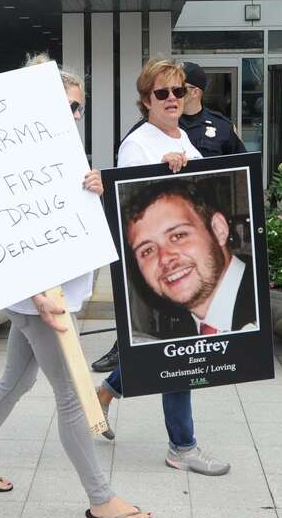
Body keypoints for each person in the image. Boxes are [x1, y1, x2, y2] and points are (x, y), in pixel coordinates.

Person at [0, 55, 153, 518]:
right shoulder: (17, 157)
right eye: (65, 106)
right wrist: (42, 291)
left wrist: (102, 189)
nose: (74, 115)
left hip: (54, 296)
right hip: (44, 300)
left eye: (78, 108)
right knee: (73, 395)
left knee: (15, 382)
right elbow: (11, 230)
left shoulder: (65, 156)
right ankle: (101, 498)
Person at [96, 59, 231, 477]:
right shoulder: (139, 144)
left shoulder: (185, 139)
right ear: (145, 101)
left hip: (187, 263)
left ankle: (109, 388)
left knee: (168, 352)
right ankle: (182, 447)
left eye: (178, 91)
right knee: (180, 355)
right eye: (162, 93)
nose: (172, 99)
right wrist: (162, 174)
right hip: (158, 270)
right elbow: (132, 209)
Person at [122, 179, 257, 340]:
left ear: (218, 229)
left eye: (178, 236)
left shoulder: (267, 307)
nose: (164, 258)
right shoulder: (177, 337)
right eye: (147, 250)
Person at [180, 62, 246, 157]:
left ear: (195, 92)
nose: (173, 93)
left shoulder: (222, 126)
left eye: (180, 88)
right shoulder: (164, 122)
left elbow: (242, 163)